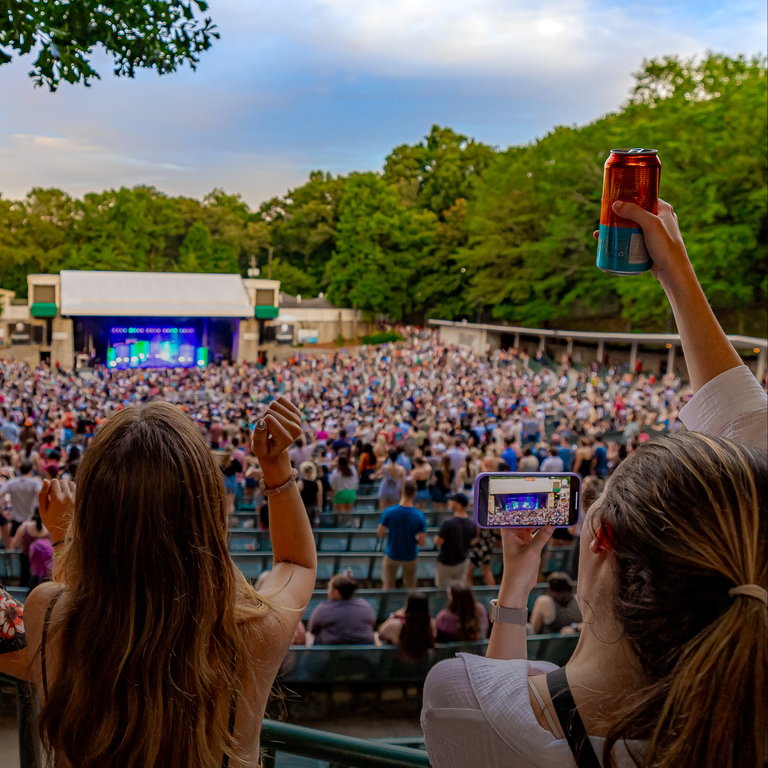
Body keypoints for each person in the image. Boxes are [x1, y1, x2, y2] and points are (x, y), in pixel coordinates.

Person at [421, 199, 767, 768]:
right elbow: (747, 430)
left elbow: (499, 696)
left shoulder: (459, 702)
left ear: (600, 538)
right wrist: (674, 271)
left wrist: (514, 589)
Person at [24, 396, 317, 768]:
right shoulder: (256, 632)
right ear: (208, 515)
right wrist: (275, 466)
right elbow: (296, 563)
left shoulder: (45, 612)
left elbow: (92, 603)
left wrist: (64, 540)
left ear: (90, 516)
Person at [377, 480, 427, 590]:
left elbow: (380, 533)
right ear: (415, 493)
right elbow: (422, 542)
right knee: (410, 586)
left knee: (388, 585)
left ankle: (387, 605)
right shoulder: (419, 515)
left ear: (402, 491)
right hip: (410, 554)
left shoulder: (389, 511)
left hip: (392, 553)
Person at [307, 572, 375, 646]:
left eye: (329, 588)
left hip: (328, 656)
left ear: (336, 593)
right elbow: (372, 625)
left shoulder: (323, 609)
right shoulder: (366, 606)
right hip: (364, 656)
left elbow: (312, 629)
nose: (328, 591)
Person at [378, 591, 436, 663]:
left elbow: (381, 632)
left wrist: (394, 615)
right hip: (423, 667)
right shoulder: (431, 625)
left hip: (397, 666)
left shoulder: (396, 625)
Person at [434, 493, 477, 587]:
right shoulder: (471, 524)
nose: (449, 502)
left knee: (443, 591)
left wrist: (435, 539)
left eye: (452, 501)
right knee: (459, 590)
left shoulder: (448, 523)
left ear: (458, 504)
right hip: (462, 561)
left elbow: (439, 542)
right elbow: (473, 541)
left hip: (446, 563)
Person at [0, 460, 43, 536]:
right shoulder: (35, 482)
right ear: (31, 471)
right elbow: (40, 495)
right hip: (31, 517)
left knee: (14, 541)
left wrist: (2, 511)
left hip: (15, 518)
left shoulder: (11, 483)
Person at [12, 507, 51, 588]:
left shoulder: (24, 527)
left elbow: (16, 544)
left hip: (26, 562)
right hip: (45, 567)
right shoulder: (49, 528)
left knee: (25, 584)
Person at [329, 451, 359, 519]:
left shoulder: (336, 472)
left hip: (340, 494)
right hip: (351, 493)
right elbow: (356, 481)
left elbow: (333, 485)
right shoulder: (353, 469)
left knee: (340, 516)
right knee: (349, 514)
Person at [297, 461, 322, 527]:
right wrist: (319, 508)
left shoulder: (300, 483)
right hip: (313, 508)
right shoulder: (318, 483)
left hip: (303, 509)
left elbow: (297, 499)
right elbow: (319, 498)